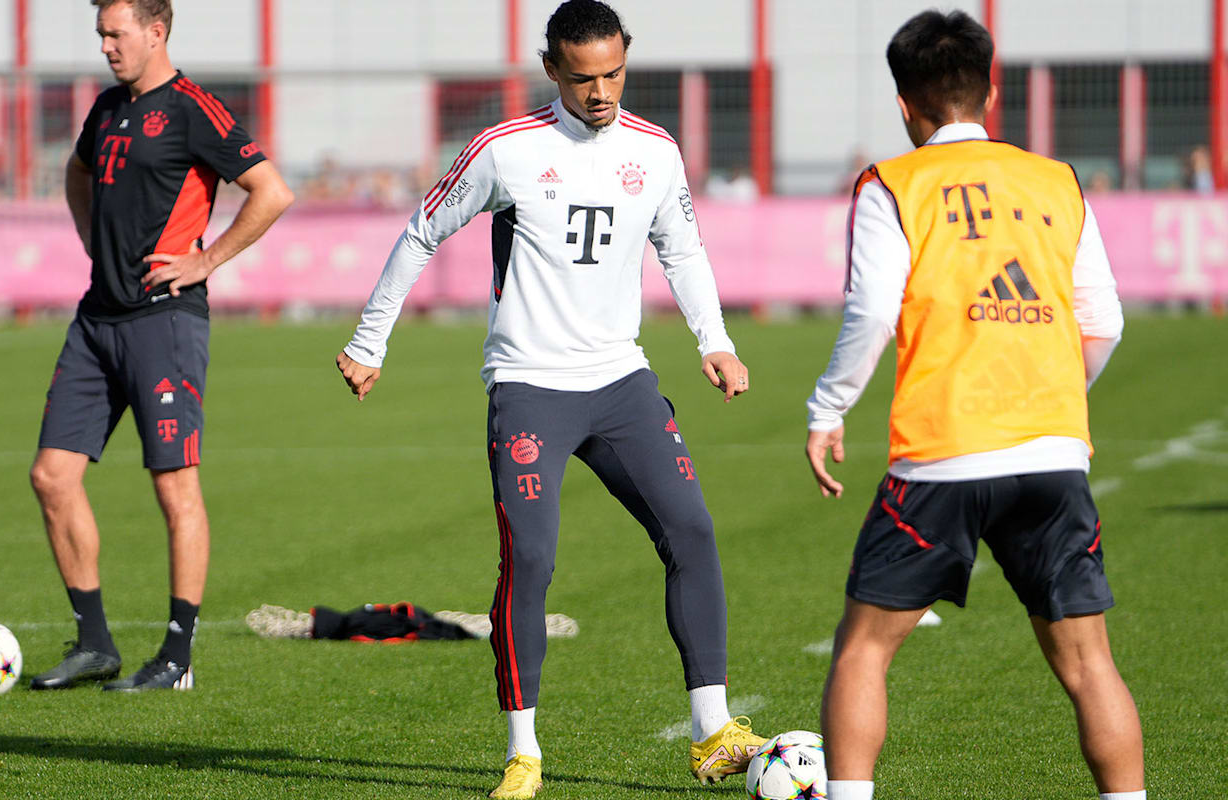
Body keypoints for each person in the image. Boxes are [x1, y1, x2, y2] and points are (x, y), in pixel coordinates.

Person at [336, 2, 766, 796]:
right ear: (551, 71)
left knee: (692, 531)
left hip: (622, 381)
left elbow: (681, 247)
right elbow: (423, 230)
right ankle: (524, 753)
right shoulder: (505, 150)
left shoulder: (656, 151)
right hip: (531, 385)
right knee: (530, 561)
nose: (600, 92)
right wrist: (370, 341)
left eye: (613, 73)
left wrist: (715, 340)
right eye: (582, 78)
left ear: (626, 59)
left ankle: (712, 732)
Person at [802, 11, 1143, 800]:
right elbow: (1105, 321)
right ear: (989, 93)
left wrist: (828, 408)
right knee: (1089, 662)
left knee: (864, 649)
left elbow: (872, 313)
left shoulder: (893, 183)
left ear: (903, 104)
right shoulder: (1056, 180)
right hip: (1052, 452)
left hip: (942, 453)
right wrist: (1053, 400)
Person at [29, 0, 294, 693]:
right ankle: (95, 644)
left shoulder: (193, 108)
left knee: (175, 487)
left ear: (155, 32)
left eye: (115, 34)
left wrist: (207, 260)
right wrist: (91, 238)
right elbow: (77, 173)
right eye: (101, 35)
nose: (106, 47)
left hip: (164, 322)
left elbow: (270, 191)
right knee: (52, 477)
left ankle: (177, 656)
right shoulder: (107, 107)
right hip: (96, 321)